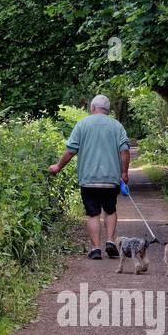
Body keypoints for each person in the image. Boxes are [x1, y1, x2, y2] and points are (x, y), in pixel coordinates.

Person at [47, 94, 130, 260]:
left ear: (92, 107)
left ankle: (96, 248)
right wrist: (124, 173)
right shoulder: (117, 126)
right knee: (110, 210)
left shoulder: (82, 125)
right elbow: (125, 151)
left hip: (88, 178)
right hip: (110, 178)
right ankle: (110, 242)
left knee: (93, 213)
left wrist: (57, 166)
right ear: (108, 109)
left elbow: (70, 151)